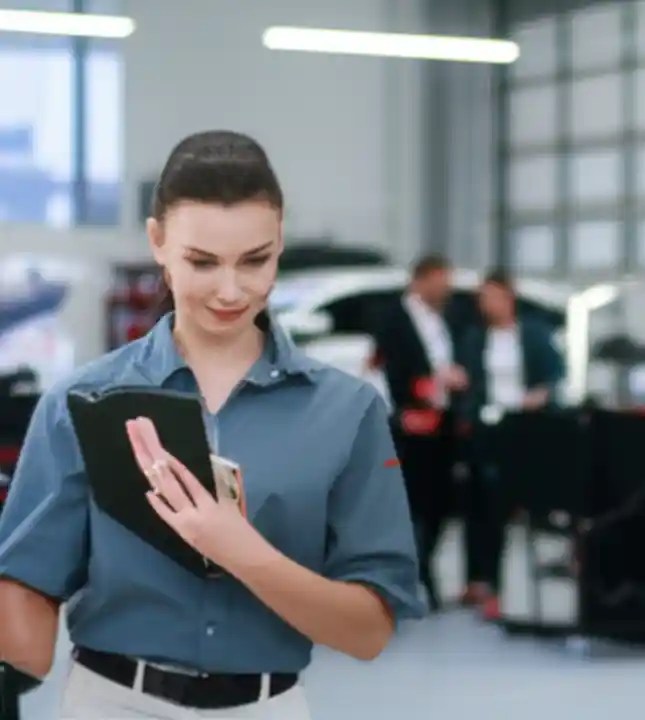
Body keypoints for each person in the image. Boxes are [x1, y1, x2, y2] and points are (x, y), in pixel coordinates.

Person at [0, 130, 424, 719]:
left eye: (255, 260)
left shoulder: (348, 412)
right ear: (157, 242)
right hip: (110, 705)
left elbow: (369, 632)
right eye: (202, 262)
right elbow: (27, 602)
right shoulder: (79, 402)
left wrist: (243, 553)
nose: (230, 291)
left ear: (280, 243)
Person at [457, 269, 564, 621]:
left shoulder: (533, 333)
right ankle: (479, 579)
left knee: (505, 504)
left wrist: (540, 395)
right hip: (487, 424)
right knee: (478, 504)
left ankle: (501, 585)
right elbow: (470, 381)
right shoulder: (475, 338)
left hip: (523, 425)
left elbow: (553, 374)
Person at [372, 254, 468, 612]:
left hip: (443, 421)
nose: (445, 290)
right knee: (409, 503)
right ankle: (412, 576)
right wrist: (416, 395)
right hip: (409, 422)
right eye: (440, 282)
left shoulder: (448, 319)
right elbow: (388, 368)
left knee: (440, 502)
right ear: (421, 280)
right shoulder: (393, 319)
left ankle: (424, 566)